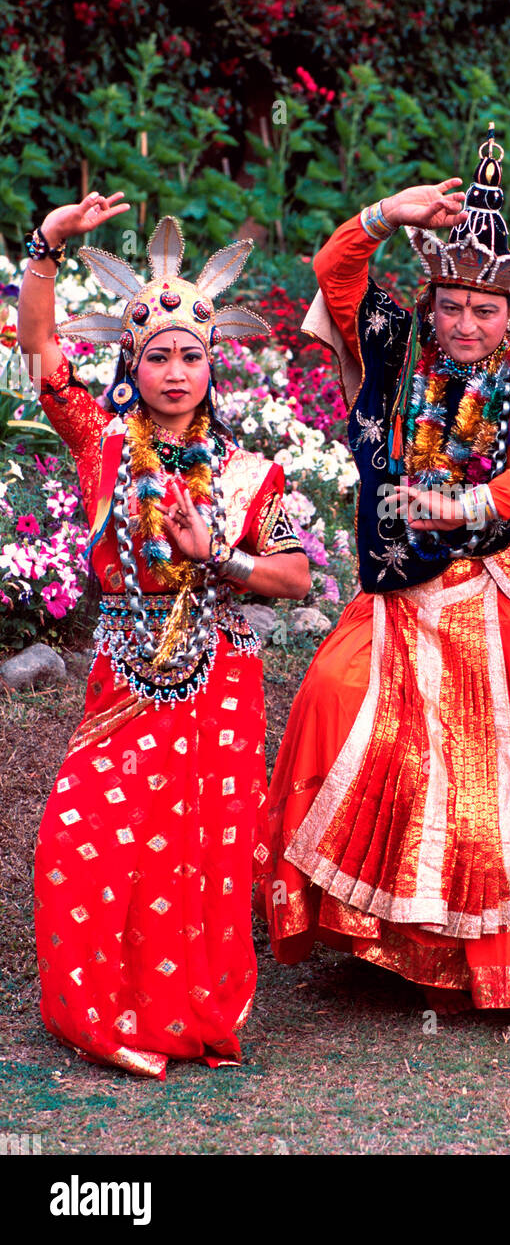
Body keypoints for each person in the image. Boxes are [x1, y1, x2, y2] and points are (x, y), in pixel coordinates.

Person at [255, 128, 510, 1010]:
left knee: (479, 786)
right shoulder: (393, 346)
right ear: (432, 302)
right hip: (392, 597)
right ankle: (373, 936)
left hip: (481, 601)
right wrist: (384, 214)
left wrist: (477, 502)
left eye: (484, 311)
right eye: (451, 305)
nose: (464, 324)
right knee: (333, 709)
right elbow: (335, 274)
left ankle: (475, 966)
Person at [17, 192, 310, 1078]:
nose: (175, 372)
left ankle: (181, 1018)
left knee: (198, 861)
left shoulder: (257, 472)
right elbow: (40, 353)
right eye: (158, 357)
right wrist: (45, 248)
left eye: (190, 356)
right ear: (133, 365)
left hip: (218, 681)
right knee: (80, 837)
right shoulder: (103, 444)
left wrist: (217, 553)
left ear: (212, 364)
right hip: (125, 677)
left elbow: (294, 576)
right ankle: (103, 1015)